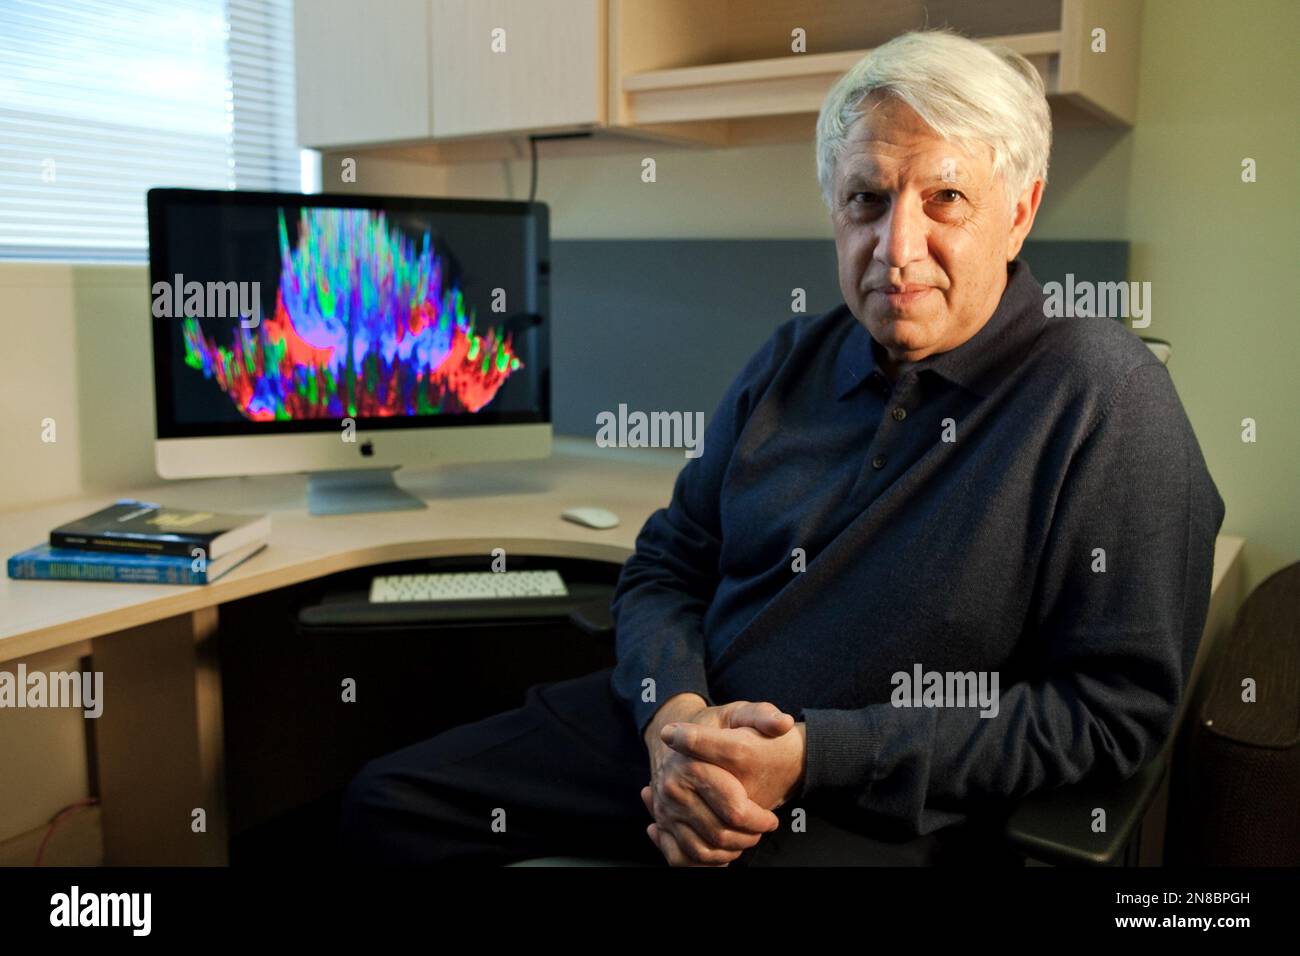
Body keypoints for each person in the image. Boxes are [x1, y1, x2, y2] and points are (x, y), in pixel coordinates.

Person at [339, 28, 1224, 867]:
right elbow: (665, 567)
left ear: (1020, 211)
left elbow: (1113, 715)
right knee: (387, 804)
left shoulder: (1106, 398)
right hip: (679, 740)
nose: (897, 247)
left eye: (945, 198)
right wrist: (672, 716)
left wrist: (815, 756)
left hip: (875, 799)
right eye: (866, 200)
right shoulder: (794, 359)